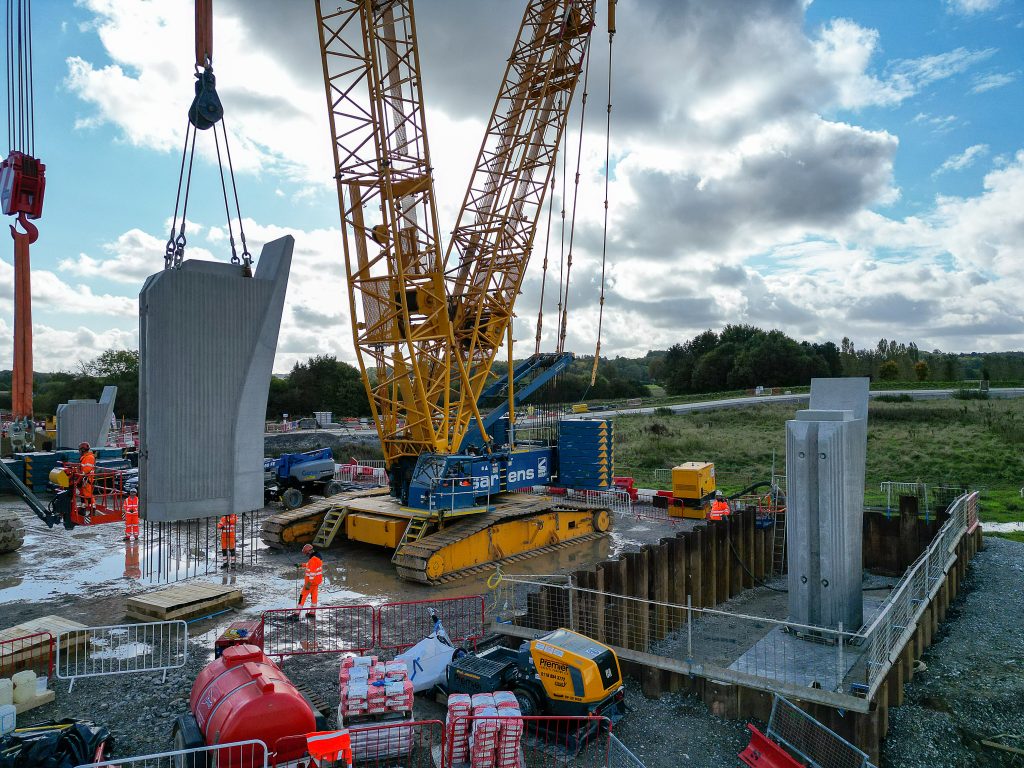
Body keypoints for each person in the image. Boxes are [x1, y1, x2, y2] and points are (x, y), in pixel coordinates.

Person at [297, 543, 323, 618]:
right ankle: (312, 612)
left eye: (306, 554)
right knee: (314, 596)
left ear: (309, 552)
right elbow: (309, 565)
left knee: (303, 596)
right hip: (316, 581)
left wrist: (308, 584)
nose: (306, 555)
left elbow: (312, 573)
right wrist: (300, 565)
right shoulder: (317, 557)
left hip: (311, 582)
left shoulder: (313, 560)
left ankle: (296, 613)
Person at [78, 442, 96, 521]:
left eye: (80, 450)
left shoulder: (89, 457)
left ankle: (92, 511)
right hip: (84, 478)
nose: (79, 451)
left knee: (88, 495)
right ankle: (83, 510)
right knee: (83, 494)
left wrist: (81, 474)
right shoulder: (85, 457)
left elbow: (87, 469)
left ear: (83, 450)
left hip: (87, 479)